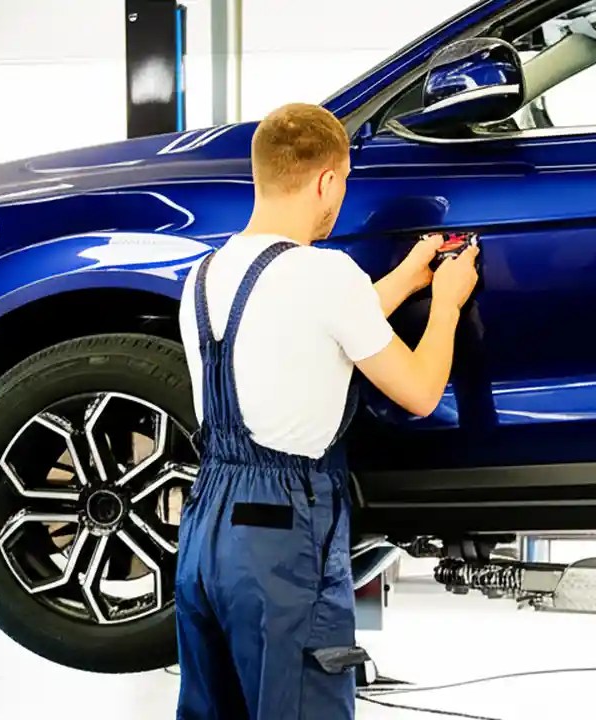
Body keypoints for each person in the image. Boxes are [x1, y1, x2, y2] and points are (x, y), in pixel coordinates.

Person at [174, 102, 480, 719]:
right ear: (326, 181)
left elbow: (312, 326)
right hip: (282, 537)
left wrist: (402, 278)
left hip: (206, 528)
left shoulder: (204, 275)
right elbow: (419, 393)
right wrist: (446, 303)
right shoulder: (326, 273)